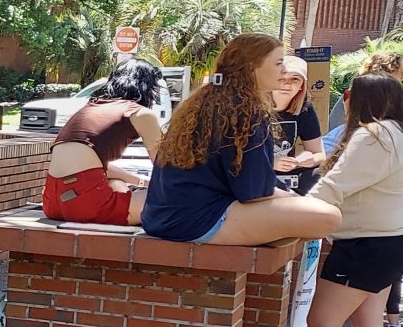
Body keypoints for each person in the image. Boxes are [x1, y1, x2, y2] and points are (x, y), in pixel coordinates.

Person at [141, 34, 338, 246]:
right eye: (279, 63)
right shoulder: (246, 111)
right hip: (198, 221)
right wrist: (299, 201)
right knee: (329, 215)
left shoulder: (206, 99)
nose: (284, 71)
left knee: (300, 214)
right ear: (252, 66)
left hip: (161, 217)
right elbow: (254, 193)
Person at [293, 73, 403, 327]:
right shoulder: (397, 133)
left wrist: (291, 214)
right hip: (389, 242)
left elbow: (333, 186)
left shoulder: (374, 135)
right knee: (368, 320)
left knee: (322, 321)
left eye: (348, 95)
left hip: (363, 244)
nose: (345, 101)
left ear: (357, 98)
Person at [42, 59, 166, 225]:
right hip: (87, 204)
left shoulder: (91, 107)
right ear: (149, 88)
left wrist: (141, 182)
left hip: (52, 202)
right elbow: (166, 169)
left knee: (117, 183)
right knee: (172, 202)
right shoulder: (140, 113)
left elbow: (89, 169)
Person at [269, 57, 326, 194]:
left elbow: (319, 154)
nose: (287, 84)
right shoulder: (252, 109)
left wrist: (309, 159)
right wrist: (270, 162)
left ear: (302, 85)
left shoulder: (305, 109)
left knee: (322, 173)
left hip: (289, 171)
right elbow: (236, 159)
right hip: (259, 171)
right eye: (281, 78)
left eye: (295, 79)